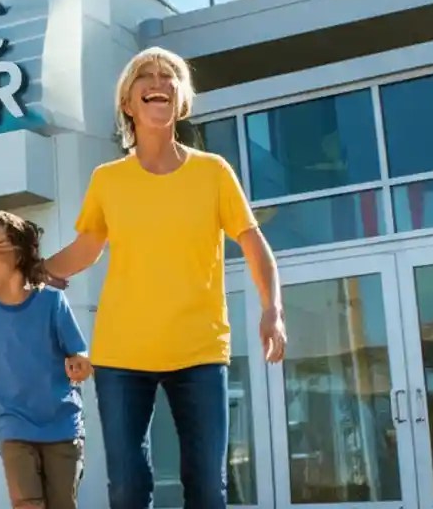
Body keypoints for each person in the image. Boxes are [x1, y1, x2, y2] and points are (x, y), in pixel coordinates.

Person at [44, 47, 287, 509]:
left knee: (206, 488)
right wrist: (32, 272)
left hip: (198, 349)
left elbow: (255, 246)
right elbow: (85, 250)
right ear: (128, 103)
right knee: (128, 488)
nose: (159, 80)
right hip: (122, 353)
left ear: (181, 99)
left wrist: (272, 310)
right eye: (145, 76)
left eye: (169, 75)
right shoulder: (108, 180)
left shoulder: (213, 172)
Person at [0, 211, 92, 509]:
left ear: (20, 251)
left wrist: (79, 363)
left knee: (63, 504)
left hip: (63, 425)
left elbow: (78, 354)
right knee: (27, 504)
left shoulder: (52, 301)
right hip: (15, 426)